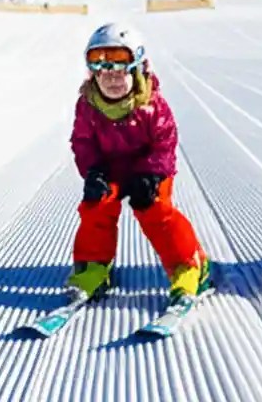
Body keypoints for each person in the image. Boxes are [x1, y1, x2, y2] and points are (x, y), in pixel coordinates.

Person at [66, 22, 211, 305]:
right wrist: (93, 171)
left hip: (149, 171)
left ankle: (189, 265)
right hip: (110, 171)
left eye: (120, 70)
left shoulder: (151, 105)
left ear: (138, 69)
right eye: (103, 70)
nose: (112, 78)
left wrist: (153, 172)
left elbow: (165, 140)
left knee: (156, 210)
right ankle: (93, 267)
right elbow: (82, 141)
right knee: (97, 207)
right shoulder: (88, 105)